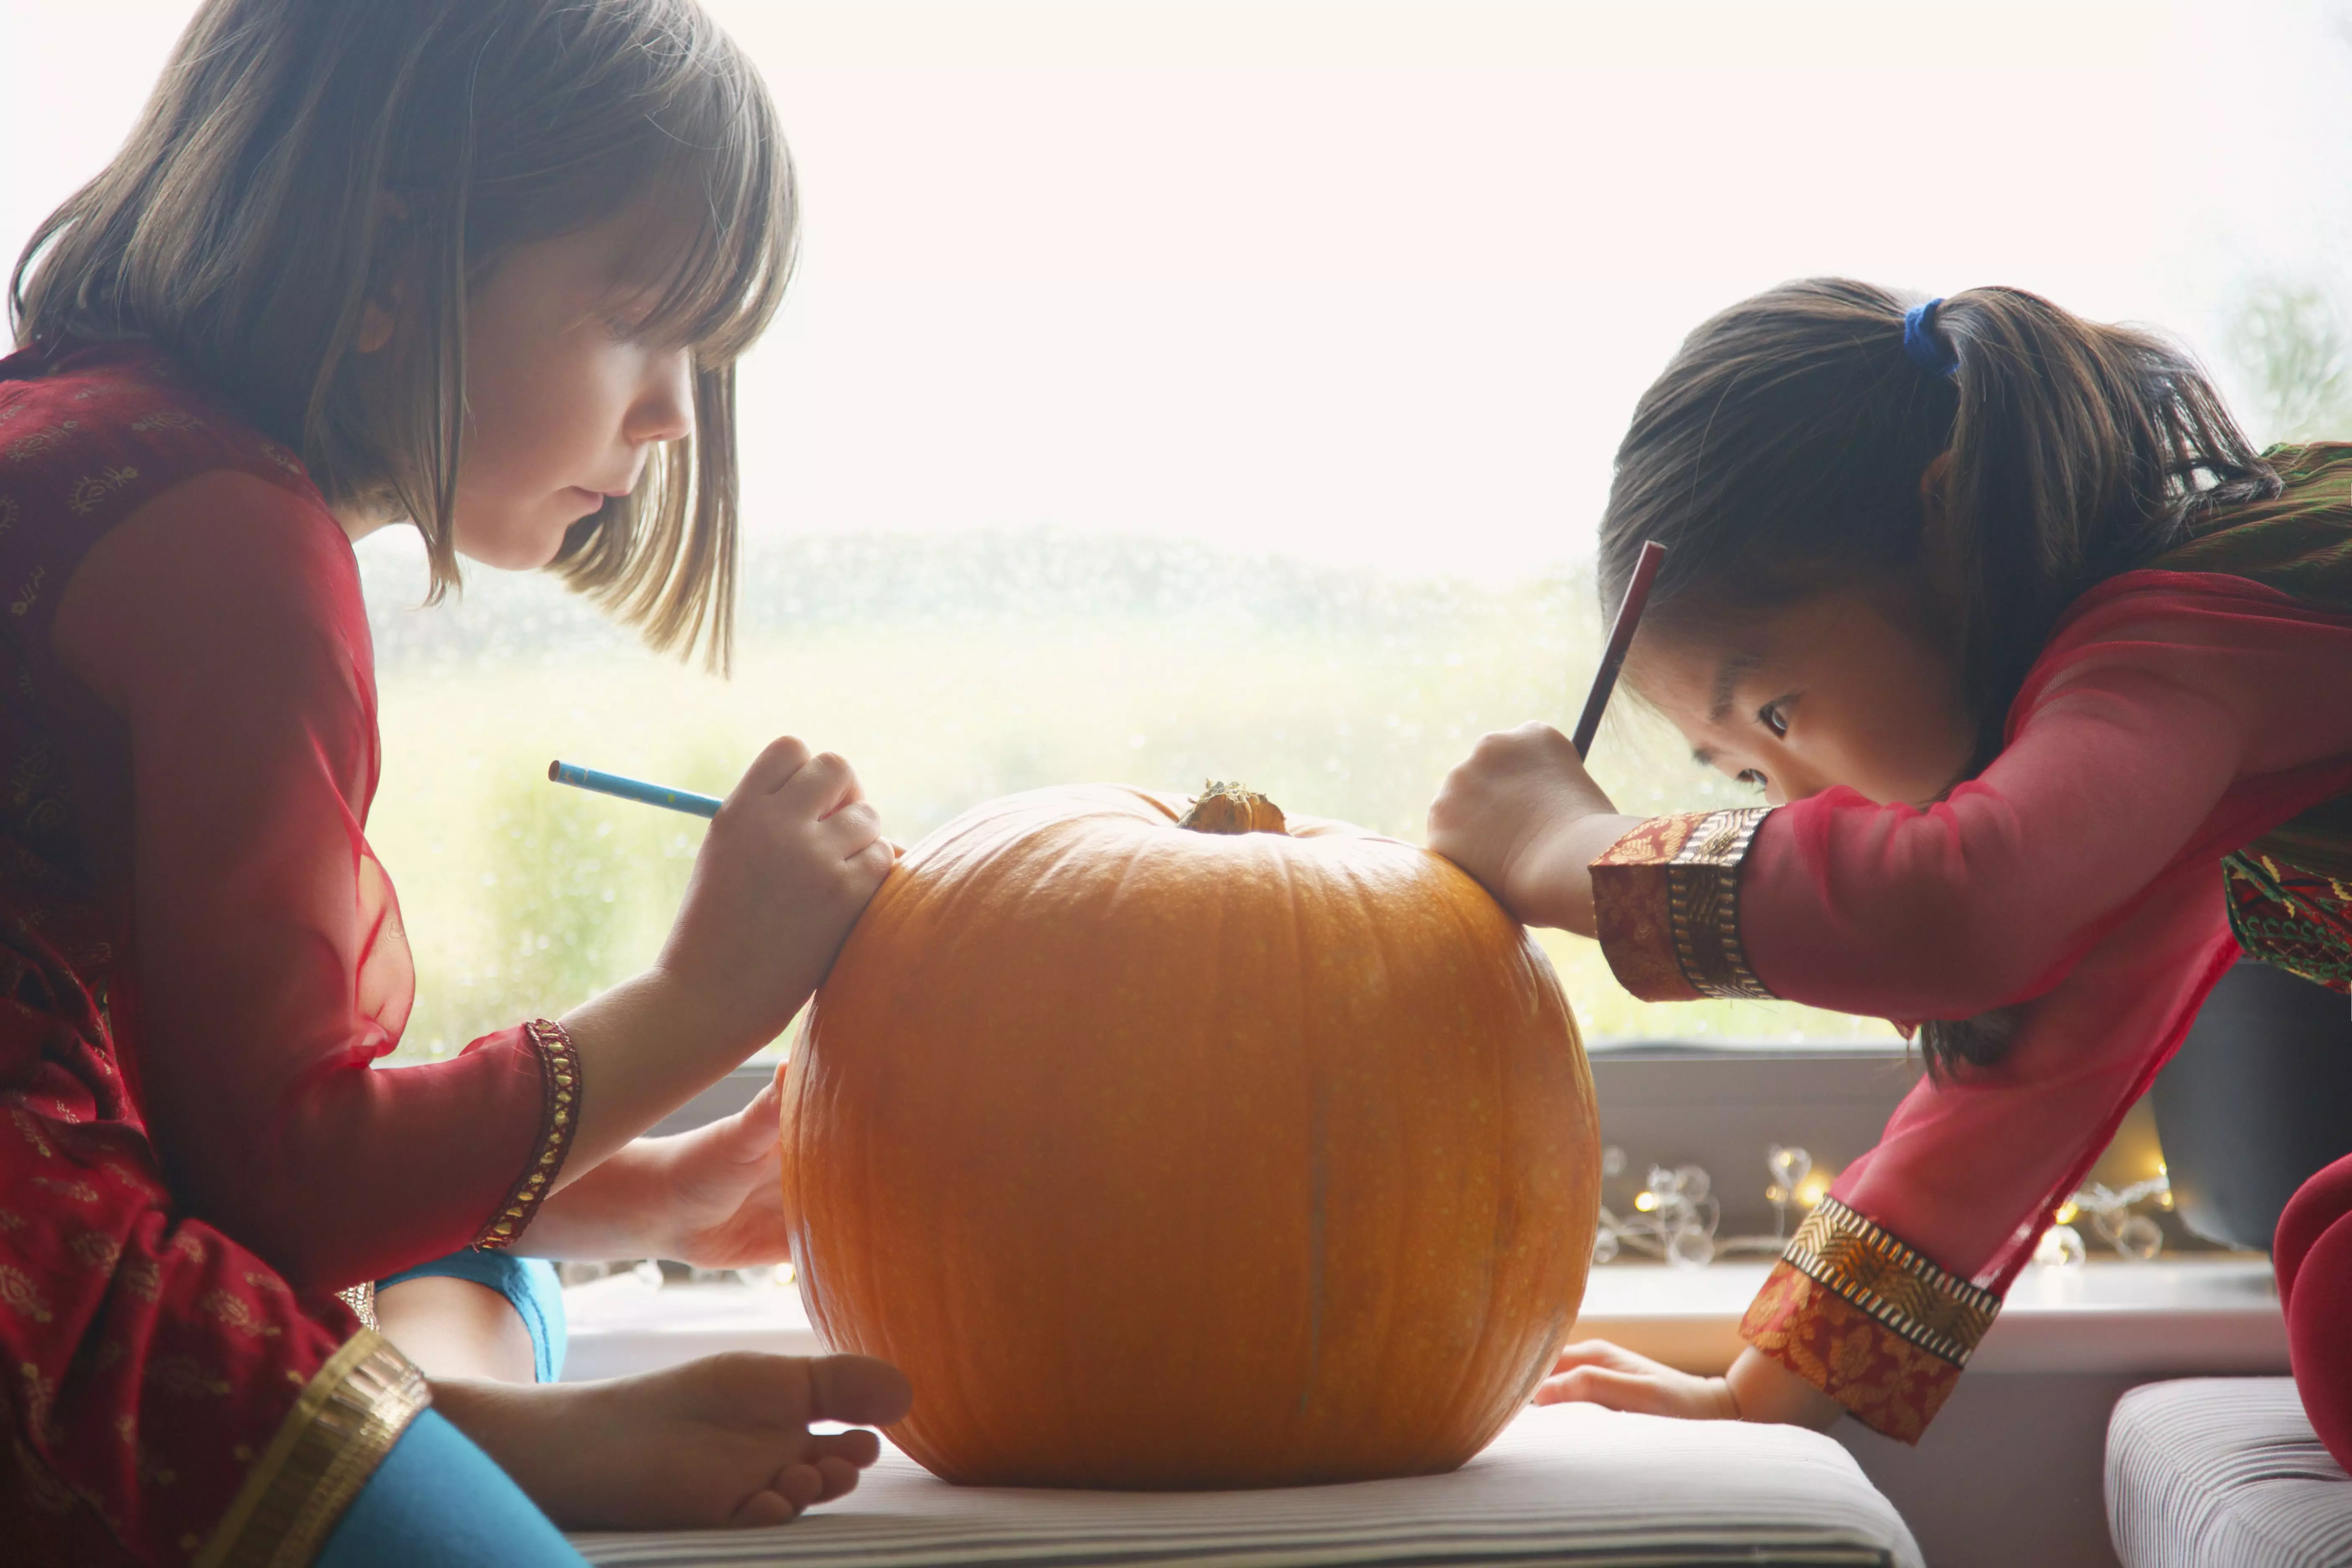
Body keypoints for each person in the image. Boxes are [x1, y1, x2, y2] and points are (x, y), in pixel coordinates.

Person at [0, 2, 913, 1563]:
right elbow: (282, 1186)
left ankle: (476, 1420)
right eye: (643, 322)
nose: (675, 415)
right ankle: (475, 1449)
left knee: (495, 1256)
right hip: (40, 1297)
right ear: (392, 270)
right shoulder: (227, 542)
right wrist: (703, 1002)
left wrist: (665, 1200)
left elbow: (190, 1107)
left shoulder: (83, 440)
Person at [1429, 279, 2352, 1459]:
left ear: (1948, 525)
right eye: (1749, 778)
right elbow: (2030, 1073)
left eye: (1777, 711)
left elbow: (1953, 909)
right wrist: (1759, 1395)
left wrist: (1568, 855)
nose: (1802, 800)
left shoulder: (2176, 643)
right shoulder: (2158, 706)